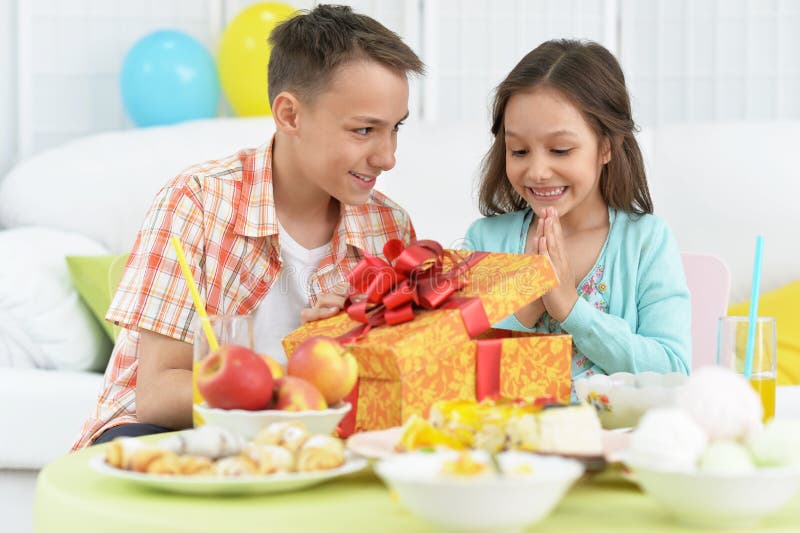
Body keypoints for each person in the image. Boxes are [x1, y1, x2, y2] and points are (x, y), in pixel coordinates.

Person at [73, 5, 424, 449]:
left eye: (395, 129)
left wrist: (348, 340)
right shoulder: (197, 202)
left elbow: (395, 385)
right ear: (290, 115)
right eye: (364, 130)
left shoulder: (389, 227)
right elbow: (158, 396)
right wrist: (293, 384)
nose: (387, 157)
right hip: (176, 430)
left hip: (311, 438)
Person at [465, 39, 691, 392]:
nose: (537, 171)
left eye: (560, 150)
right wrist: (527, 305)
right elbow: (454, 367)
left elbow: (673, 371)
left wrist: (572, 309)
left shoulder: (646, 242)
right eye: (519, 151)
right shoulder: (484, 241)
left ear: (606, 147)